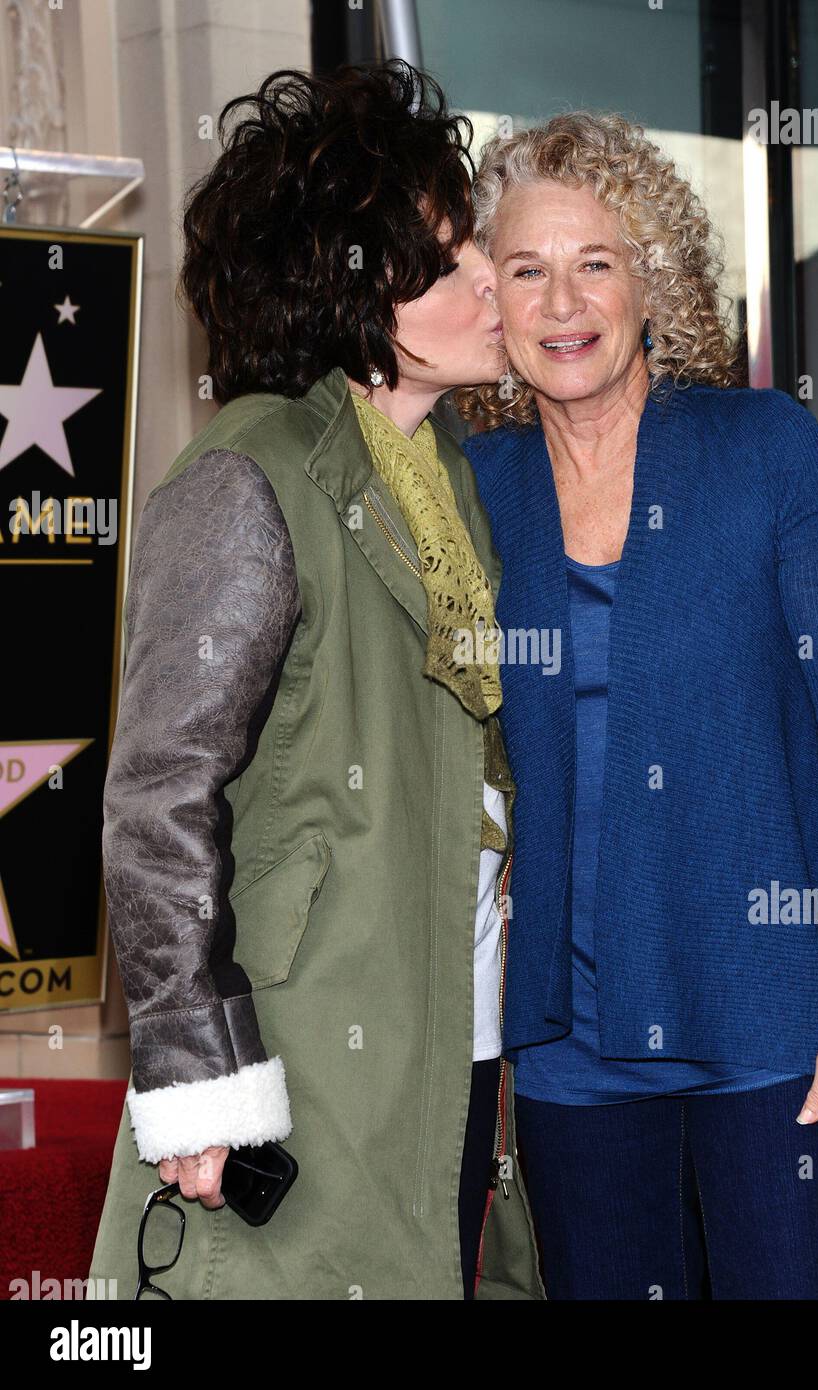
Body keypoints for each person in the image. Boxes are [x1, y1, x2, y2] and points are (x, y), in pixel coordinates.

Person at [457, 111, 818, 1300]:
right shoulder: (476, 490)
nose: (562, 301)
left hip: (780, 1021)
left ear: (653, 280)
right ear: (492, 299)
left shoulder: (764, 449)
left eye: (595, 263)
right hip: (571, 1041)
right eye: (527, 269)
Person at [87, 62, 543, 1301]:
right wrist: (195, 1073)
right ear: (354, 292)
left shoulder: (443, 477)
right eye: (449, 262)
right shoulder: (255, 471)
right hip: (302, 1068)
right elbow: (159, 791)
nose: (490, 282)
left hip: (448, 1047)